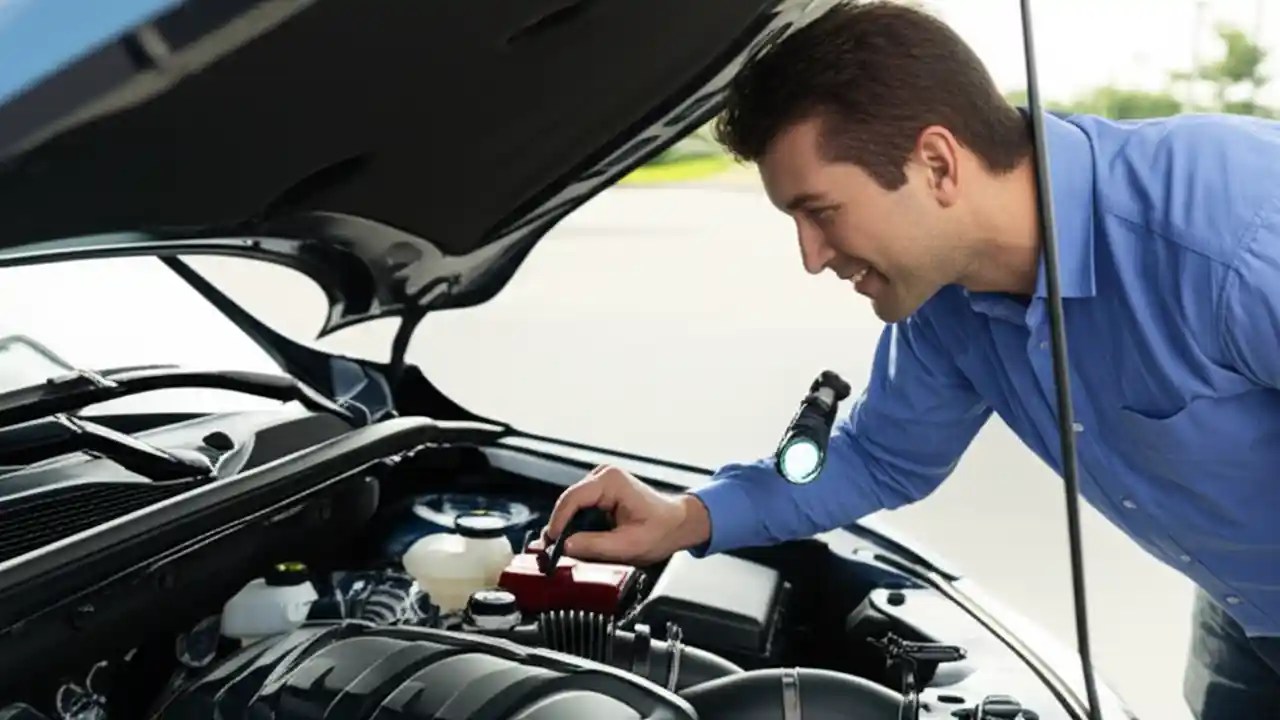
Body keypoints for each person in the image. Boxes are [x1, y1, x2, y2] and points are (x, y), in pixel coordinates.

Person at [540, 2, 1280, 717]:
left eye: (821, 212)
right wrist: (685, 518)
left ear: (936, 164)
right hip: (1241, 612)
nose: (811, 257)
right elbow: (876, 459)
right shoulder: (947, 305)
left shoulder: (1230, 234)